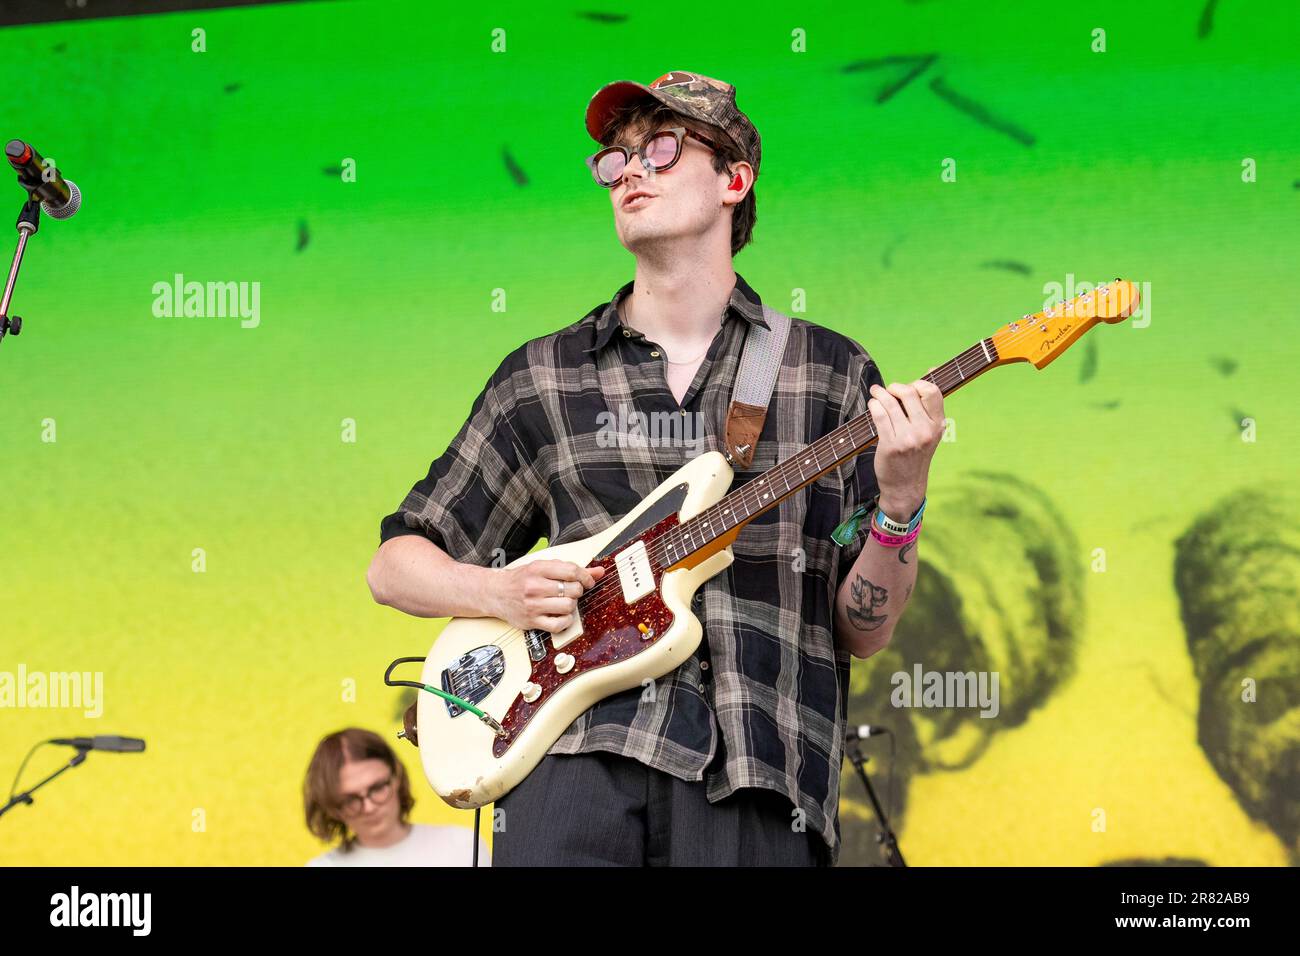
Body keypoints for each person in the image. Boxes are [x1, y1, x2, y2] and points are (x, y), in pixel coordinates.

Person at [367, 71, 944, 866]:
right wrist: (497, 590)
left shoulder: (828, 370)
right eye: (615, 158)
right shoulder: (542, 376)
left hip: (761, 770)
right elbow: (395, 567)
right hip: (569, 764)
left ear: (734, 180)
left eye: (663, 149)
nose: (630, 169)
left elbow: (863, 630)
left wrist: (903, 497)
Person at [303, 727, 490, 866]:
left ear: (396, 777)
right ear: (331, 806)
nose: (369, 807)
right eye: (351, 799)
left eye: (376, 788)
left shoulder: (462, 845)